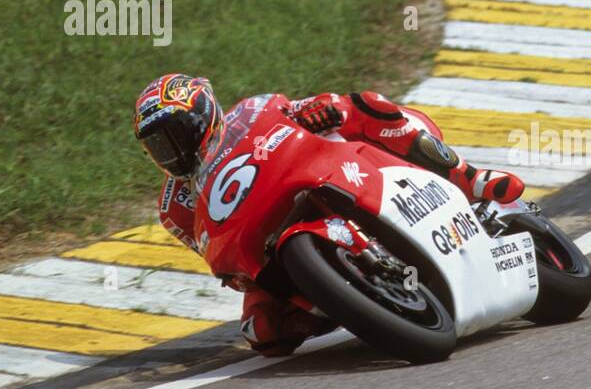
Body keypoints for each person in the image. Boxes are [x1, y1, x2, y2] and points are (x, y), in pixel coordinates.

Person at [133, 74, 525, 355]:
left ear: (202, 117)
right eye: (156, 145)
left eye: (175, 134)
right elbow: (214, 256)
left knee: (365, 104)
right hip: (266, 240)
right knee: (264, 335)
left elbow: (298, 109)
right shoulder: (173, 208)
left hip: (325, 171)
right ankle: (350, 299)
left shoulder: (249, 112)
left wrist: (324, 109)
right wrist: (239, 276)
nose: (169, 151)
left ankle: (468, 177)